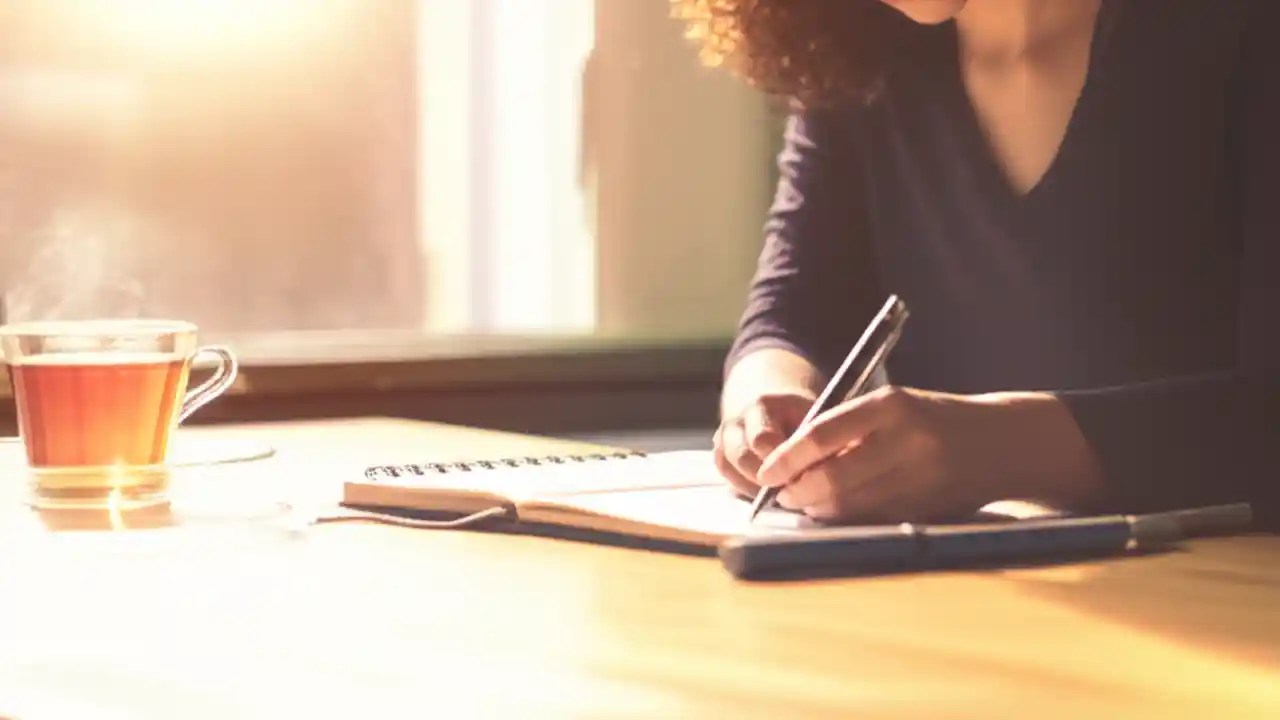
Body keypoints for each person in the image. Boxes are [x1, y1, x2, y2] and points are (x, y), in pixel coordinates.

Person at [674, 0, 1278, 527]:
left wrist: (999, 449)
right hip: (976, 609)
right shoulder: (861, 53)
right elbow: (795, 312)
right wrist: (765, 401)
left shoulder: (1245, 27)